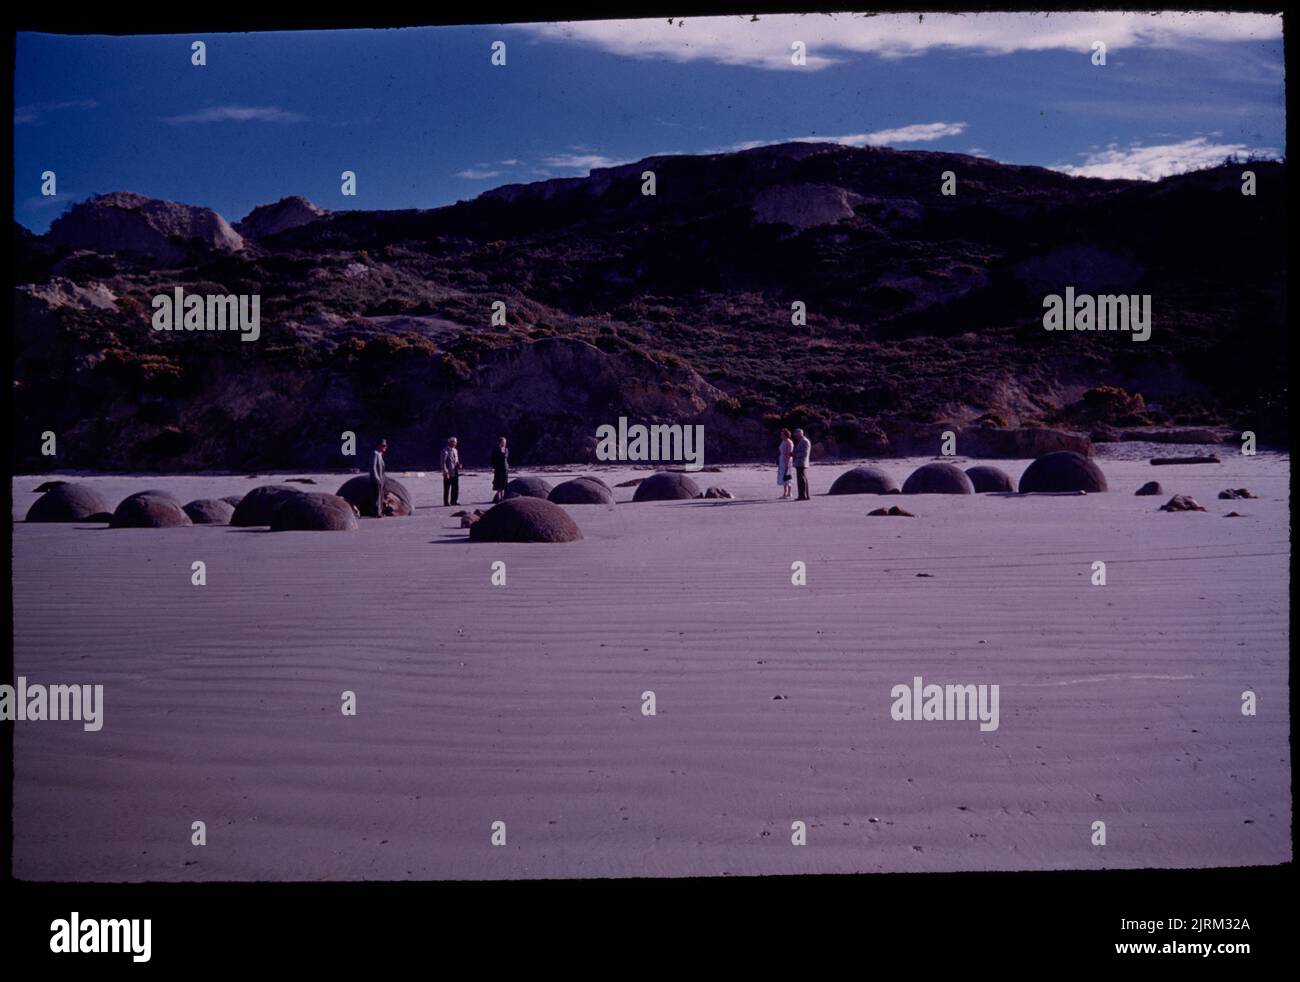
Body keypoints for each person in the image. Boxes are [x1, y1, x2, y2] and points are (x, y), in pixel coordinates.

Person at [441, 436, 461, 507]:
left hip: (455, 471)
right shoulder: (445, 451)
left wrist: (458, 465)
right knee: (447, 488)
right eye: (454, 442)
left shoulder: (455, 450)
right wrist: (445, 472)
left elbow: (456, 461)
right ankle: (446, 502)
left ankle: (454, 501)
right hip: (448, 472)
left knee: (455, 487)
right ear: (450, 442)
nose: (456, 443)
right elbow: (443, 463)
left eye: (456, 442)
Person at [370, 439, 388, 517]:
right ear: (379, 446)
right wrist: (377, 478)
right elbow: (373, 467)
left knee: (380, 495)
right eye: (383, 445)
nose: (385, 447)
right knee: (376, 496)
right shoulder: (375, 454)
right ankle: (376, 512)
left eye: (385, 445)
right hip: (376, 479)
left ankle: (380, 511)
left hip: (381, 479)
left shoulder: (380, 454)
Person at [792, 428, 811, 500]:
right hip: (801, 463)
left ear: (800, 434)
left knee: (801, 480)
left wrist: (795, 454)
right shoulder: (802, 441)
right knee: (803, 479)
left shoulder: (804, 441)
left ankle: (803, 496)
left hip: (801, 463)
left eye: (796, 434)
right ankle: (804, 495)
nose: (795, 436)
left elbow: (804, 453)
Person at [491, 436, 509, 504]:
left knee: (504, 484)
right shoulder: (496, 450)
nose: (504, 443)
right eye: (503, 442)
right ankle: (498, 499)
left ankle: (502, 498)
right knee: (498, 484)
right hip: (498, 469)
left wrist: (507, 467)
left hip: (505, 468)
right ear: (499, 442)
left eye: (505, 442)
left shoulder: (506, 449)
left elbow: (506, 459)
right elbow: (493, 459)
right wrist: (494, 467)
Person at [777, 428, 794, 499]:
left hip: (787, 461)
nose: (781, 435)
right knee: (784, 476)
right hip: (782, 460)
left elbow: (789, 453)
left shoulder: (788, 442)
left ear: (786, 434)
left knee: (787, 476)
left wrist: (787, 463)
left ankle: (788, 493)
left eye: (782, 434)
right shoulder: (783, 441)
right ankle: (786, 492)